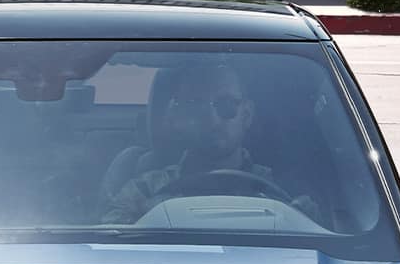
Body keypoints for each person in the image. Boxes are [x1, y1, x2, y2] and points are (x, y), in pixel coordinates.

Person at [101, 62, 319, 225]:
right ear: (178, 117)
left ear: (247, 114)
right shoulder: (144, 190)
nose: (211, 120)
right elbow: (110, 244)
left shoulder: (286, 190)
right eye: (195, 105)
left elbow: (315, 246)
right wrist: (150, 216)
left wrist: (297, 217)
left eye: (226, 105)